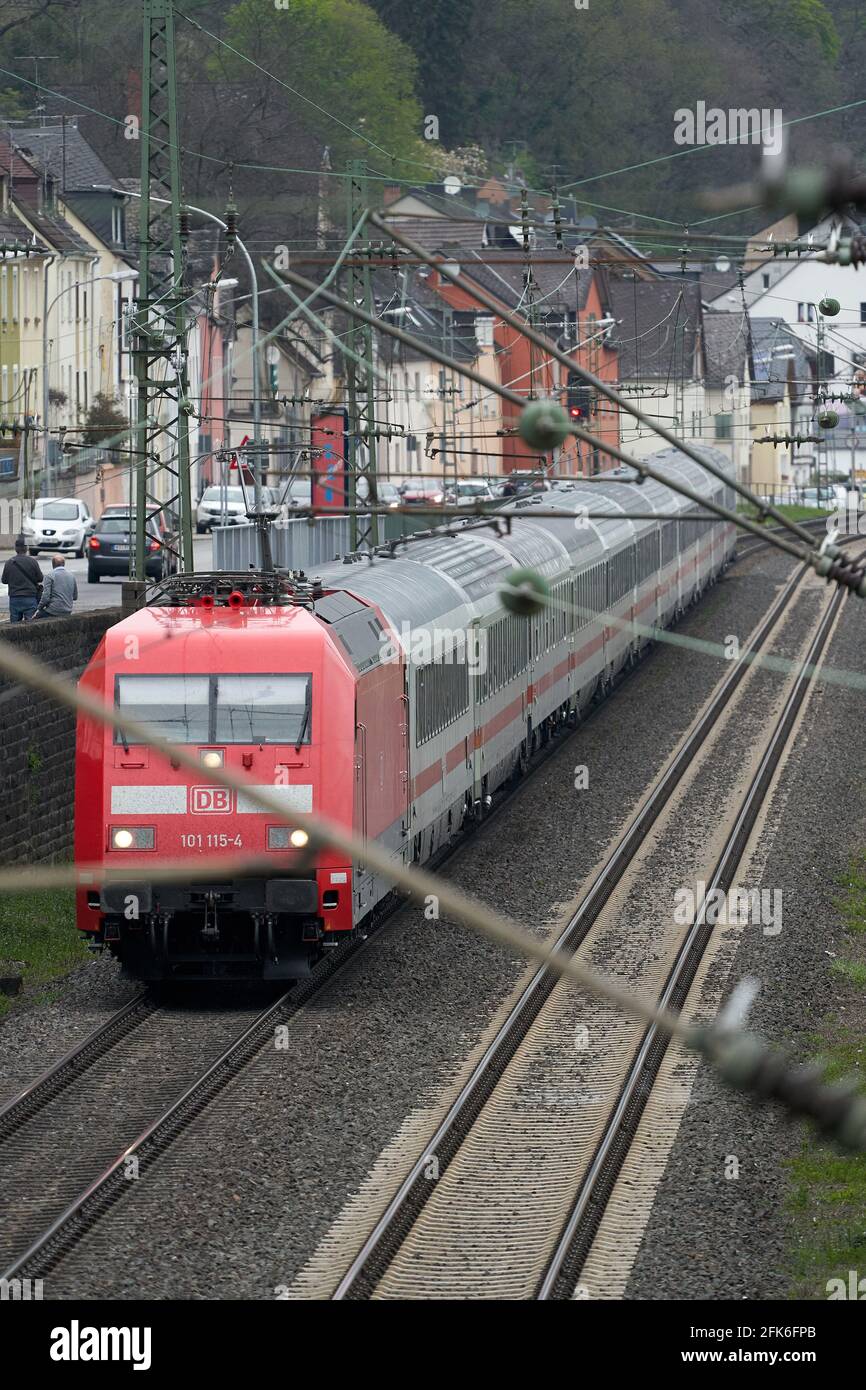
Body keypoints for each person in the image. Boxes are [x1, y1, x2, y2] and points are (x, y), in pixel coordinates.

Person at [2, 537, 43, 623]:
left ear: (16, 549)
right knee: (31, 624)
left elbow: (4, 580)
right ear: (26, 548)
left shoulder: (9, 562)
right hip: (30, 597)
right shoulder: (32, 561)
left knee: (14, 625)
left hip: (14, 598)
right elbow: (40, 578)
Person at [32, 554, 78, 620]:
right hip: (68, 610)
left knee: (34, 619)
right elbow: (75, 597)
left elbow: (46, 597)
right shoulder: (71, 576)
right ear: (64, 564)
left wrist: (38, 609)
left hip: (53, 611)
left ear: (53, 564)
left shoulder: (50, 576)